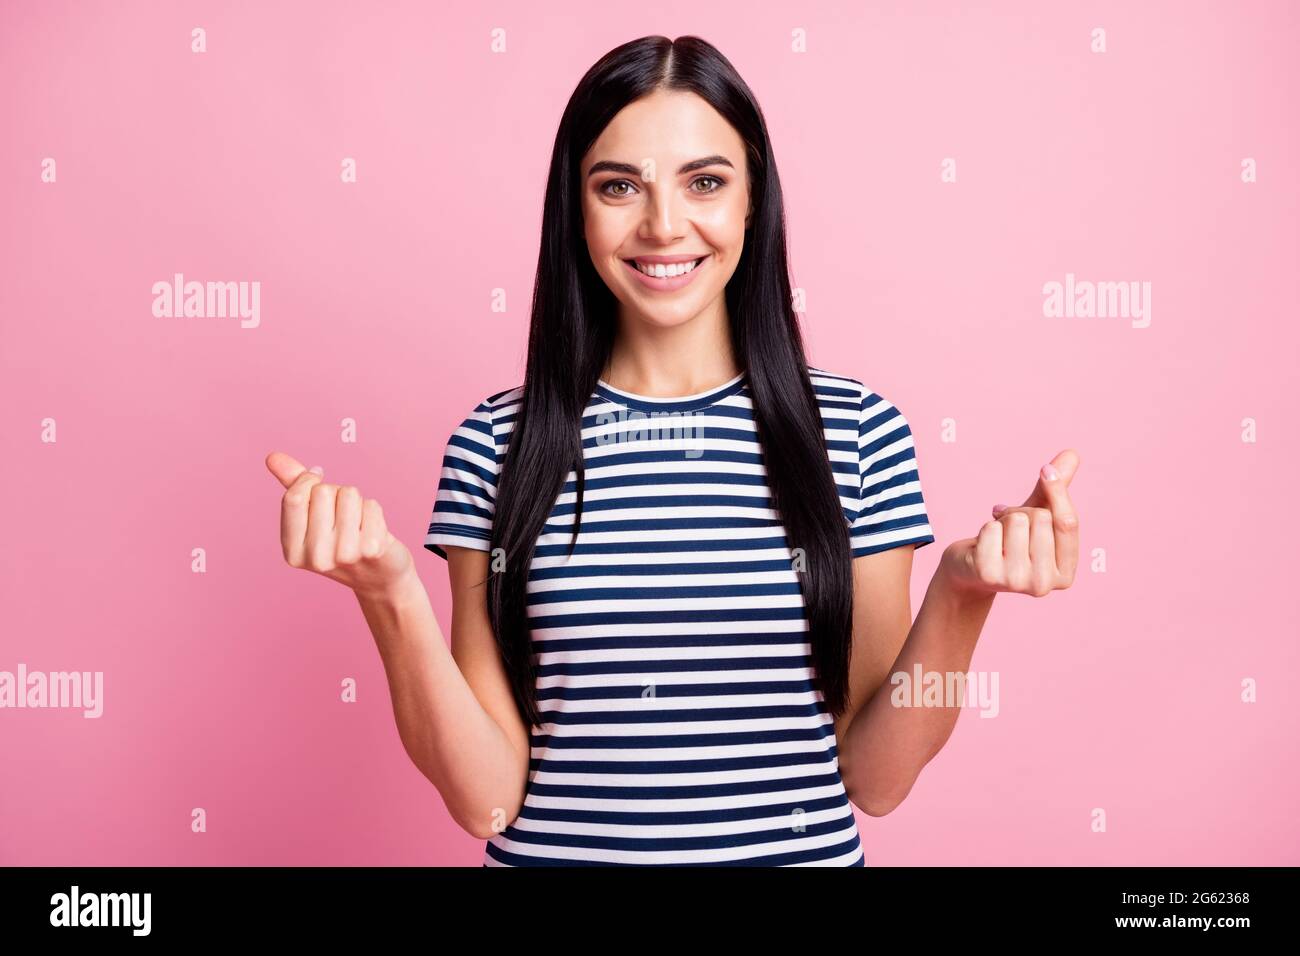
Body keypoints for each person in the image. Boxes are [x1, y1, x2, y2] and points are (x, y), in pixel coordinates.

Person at [265, 35, 1081, 866]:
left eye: (705, 182)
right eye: (619, 186)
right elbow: (487, 800)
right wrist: (388, 594)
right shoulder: (496, 444)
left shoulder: (858, 431)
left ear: (753, 200)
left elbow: (876, 779)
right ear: (575, 209)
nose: (663, 225)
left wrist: (962, 593)